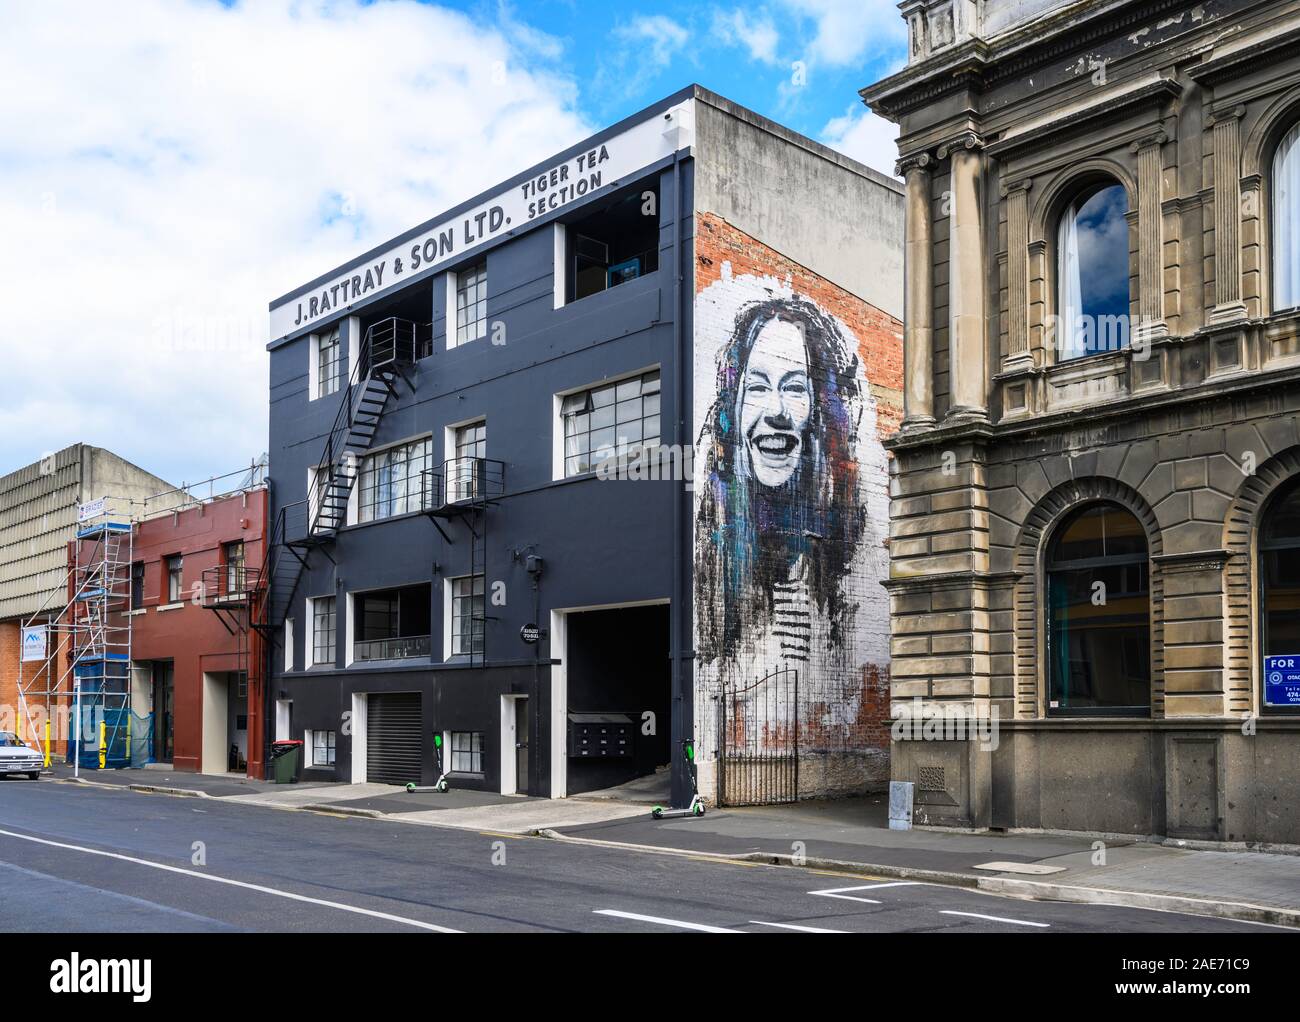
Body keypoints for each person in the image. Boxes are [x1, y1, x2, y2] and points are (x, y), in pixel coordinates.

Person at [695, 296, 867, 669]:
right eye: (757, 387)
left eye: (793, 388)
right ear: (734, 409)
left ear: (819, 412)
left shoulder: (837, 561)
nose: (776, 411)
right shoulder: (714, 548)